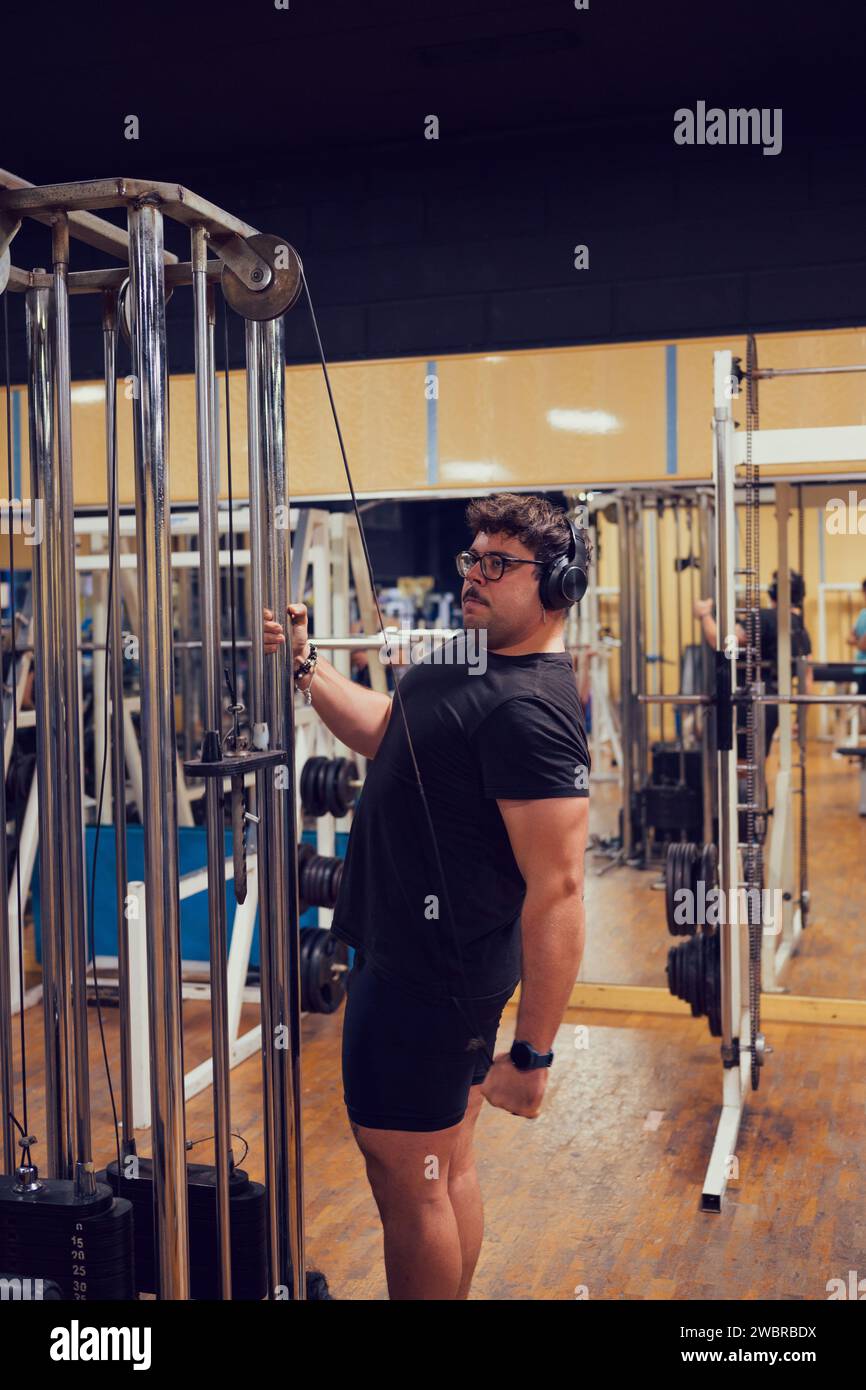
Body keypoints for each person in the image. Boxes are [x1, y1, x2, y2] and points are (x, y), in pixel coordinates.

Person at [264, 492, 590, 1300]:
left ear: (559, 585)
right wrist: (307, 668)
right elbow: (387, 729)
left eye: (498, 564)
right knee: (443, 1169)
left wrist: (535, 1054)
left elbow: (560, 891)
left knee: (410, 1188)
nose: (474, 576)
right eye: (471, 558)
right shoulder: (472, 655)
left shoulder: (530, 712)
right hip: (404, 960)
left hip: (432, 982)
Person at [693, 570, 813, 756]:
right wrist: (801, 719)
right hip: (773, 704)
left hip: (749, 702)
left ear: (773, 592)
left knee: (742, 769)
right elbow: (807, 680)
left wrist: (704, 614)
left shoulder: (766, 618)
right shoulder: (800, 628)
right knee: (754, 769)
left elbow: (721, 641)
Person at [845, 577, 866, 696]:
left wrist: (857, 641)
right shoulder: (862, 614)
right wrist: (859, 642)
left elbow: (856, 641)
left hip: (861, 667)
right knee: (862, 703)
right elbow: (849, 639)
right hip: (861, 667)